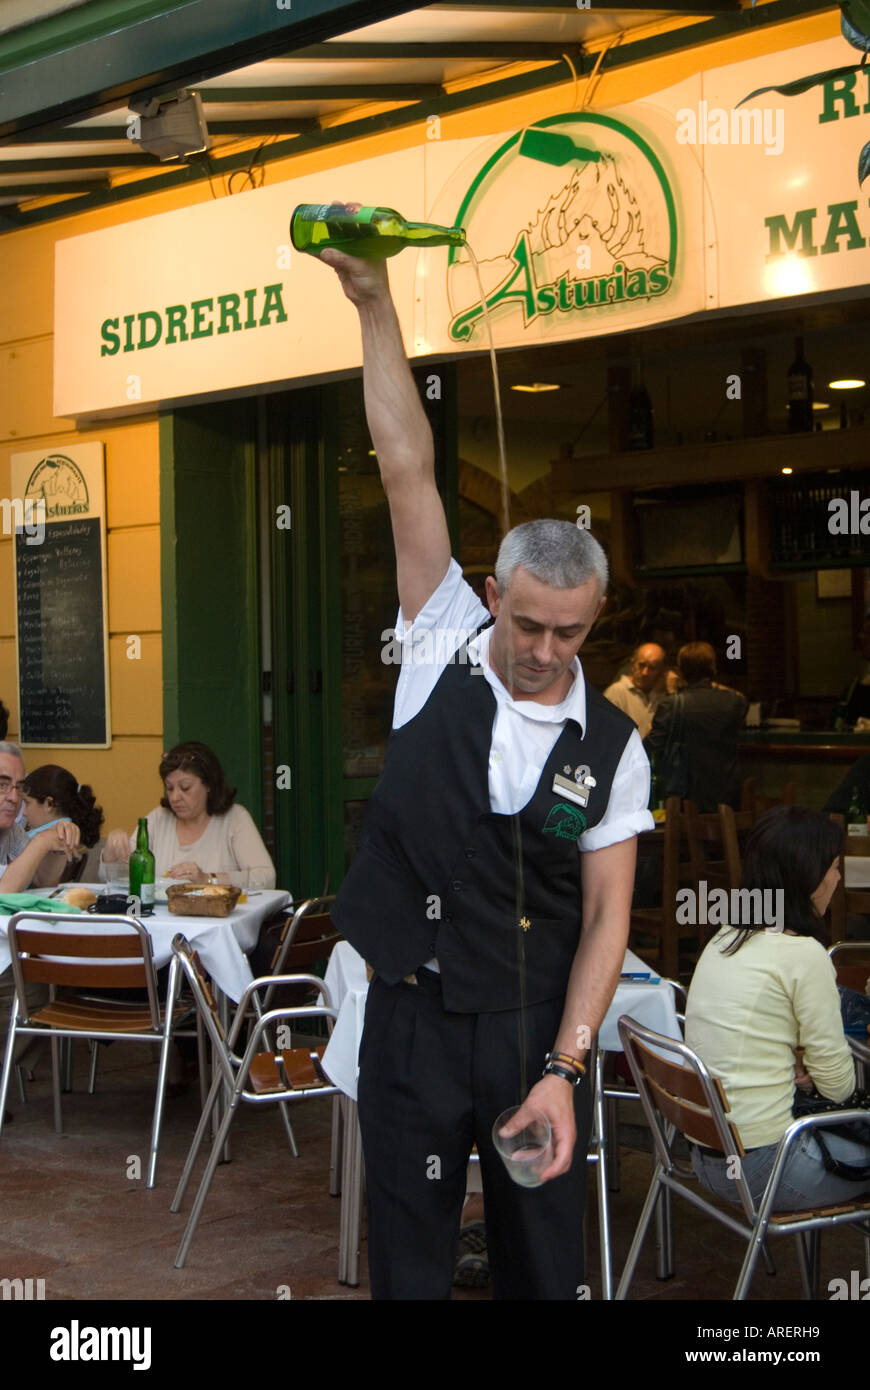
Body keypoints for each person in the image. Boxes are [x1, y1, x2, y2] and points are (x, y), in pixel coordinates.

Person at [320, 246, 651, 1300]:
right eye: (525, 622)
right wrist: (374, 302)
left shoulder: (614, 748)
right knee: (408, 1266)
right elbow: (404, 464)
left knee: (543, 1266)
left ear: (595, 619)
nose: (543, 649)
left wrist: (565, 1066)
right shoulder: (439, 639)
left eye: (567, 630)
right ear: (492, 595)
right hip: (410, 1021)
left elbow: (606, 922)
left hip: (527, 1029)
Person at [685, 807, 870, 1209]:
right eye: (834, 867)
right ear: (808, 877)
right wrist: (819, 1074)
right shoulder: (804, 955)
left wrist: (791, 1068)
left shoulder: (726, 936)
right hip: (765, 1169)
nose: (838, 878)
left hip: (706, 1157)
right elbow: (839, 1086)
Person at [101, 741, 275, 889]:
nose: (175, 797)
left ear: (208, 784)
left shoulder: (235, 818)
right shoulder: (157, 819)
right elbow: (113, 880)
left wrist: (207, 879)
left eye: (185, 788)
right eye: (169, 788)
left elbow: (266, 878)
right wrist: (110, 853)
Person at [644, 640, 747, 811]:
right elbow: (741, 699)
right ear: (713, 667)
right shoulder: (734, 702)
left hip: (687, 798)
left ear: (680, 669)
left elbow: (650, 747)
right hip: (728, 796)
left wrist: (673, 692)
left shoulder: (672, 704)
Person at [0, 743, 82, 892]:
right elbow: (3, 890)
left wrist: (59, 841)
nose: (14, 797)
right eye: (2, 785)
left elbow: (42, 882)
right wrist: (42, 841)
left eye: (18, 787)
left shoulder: (13, 832)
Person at [18, 764, 103, 890]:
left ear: (49, 804)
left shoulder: (44, 838)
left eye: (27, 803)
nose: (24, 812)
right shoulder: (74, 834)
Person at [604, 642, 667, 738]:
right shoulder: (616, 693)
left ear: (661, 670)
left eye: (652, 668)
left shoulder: (661, 693)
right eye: (641, 665)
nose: (645, 672)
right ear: (632, 665)